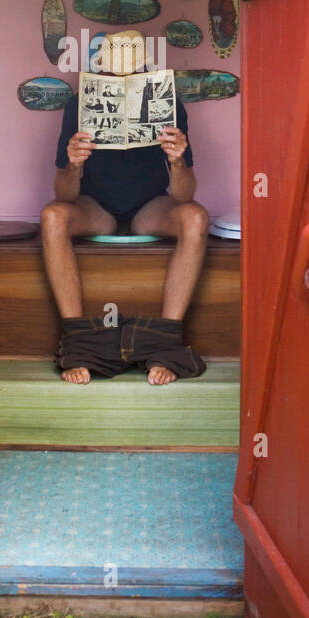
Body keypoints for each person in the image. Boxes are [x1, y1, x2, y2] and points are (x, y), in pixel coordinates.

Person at [40, 30, 209, 387]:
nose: (121, 82)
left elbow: (185, 196)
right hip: (95, 206)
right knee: (52, 216)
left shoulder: (171, 103)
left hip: (150, 206)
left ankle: (166, 345)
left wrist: (178, 161)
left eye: (130, 75)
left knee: (196, 217)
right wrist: (73, 164)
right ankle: (79, 345)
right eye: (114, 75)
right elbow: (64, 195)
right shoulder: (78, 104)